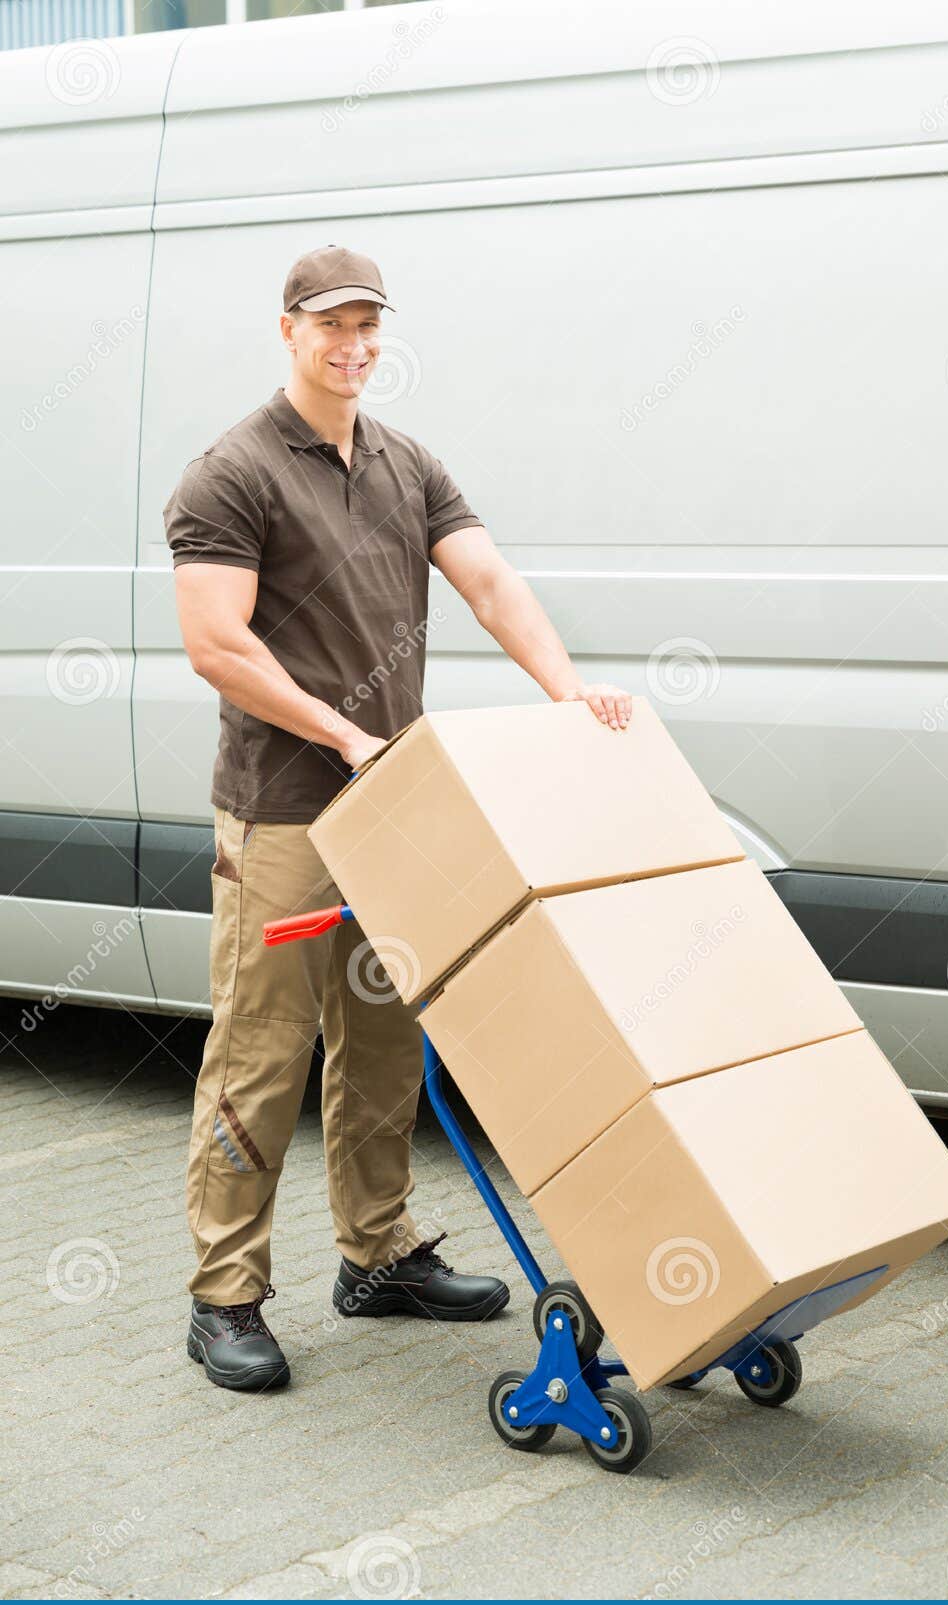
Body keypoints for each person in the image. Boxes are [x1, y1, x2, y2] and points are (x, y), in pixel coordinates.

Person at [163, 245, 633, 1392]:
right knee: (262, 1050)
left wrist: (567, 694)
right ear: (288, 330)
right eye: (331, 323)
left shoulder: (404, 461)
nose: (353, 343)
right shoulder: (231, 472)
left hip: (392, 806)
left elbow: (490, 582)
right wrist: (343, 735)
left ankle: (377, 1256)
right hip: (284, 813)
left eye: (367, 323)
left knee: (385, 1037)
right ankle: (224, 1295)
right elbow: (216, 643)